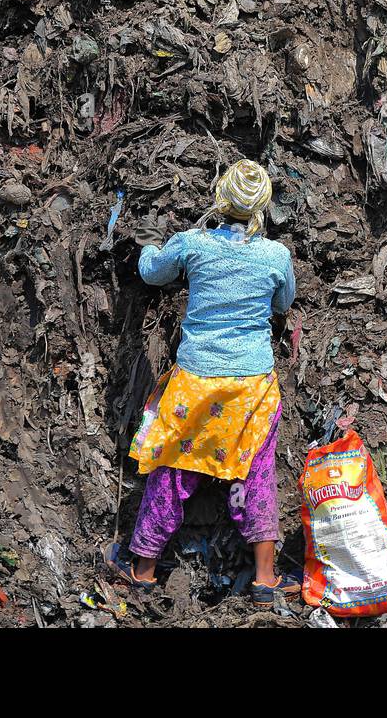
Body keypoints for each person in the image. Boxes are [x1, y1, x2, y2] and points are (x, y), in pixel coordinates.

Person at [108, 158, 298, 607]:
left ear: (221, 198)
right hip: (252, 387)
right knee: (257, 474)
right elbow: (283, 301)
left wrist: (152, 242)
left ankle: (143, 569)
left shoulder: (193, 243)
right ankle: (266, 579)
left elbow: (151, 271)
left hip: (196, 384)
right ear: (261, 208)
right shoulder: (276, 255)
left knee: (172, 473)